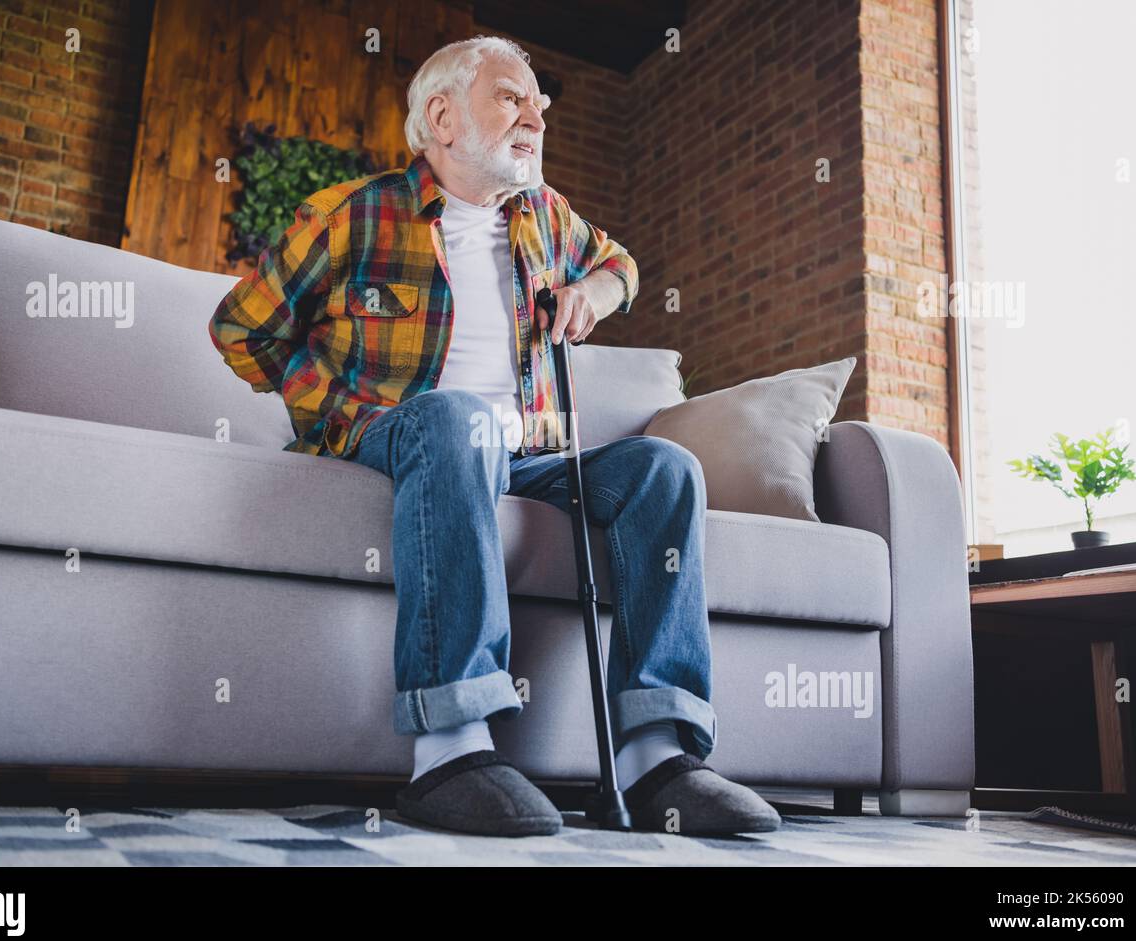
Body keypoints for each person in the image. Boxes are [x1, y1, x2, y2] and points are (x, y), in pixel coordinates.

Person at [209, 35, 781, 838]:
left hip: (528, 452)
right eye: (513, 96)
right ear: (442, 117)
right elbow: (243, 330)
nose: (537, 114)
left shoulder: (545, 217)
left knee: (666, 470)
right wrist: (338, 415)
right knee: (459, 420)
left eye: (541, 101)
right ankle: (451, 747)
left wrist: (593, 292)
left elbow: (624, 263)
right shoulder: (351, 214)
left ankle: (658, 759)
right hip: (408, 434)